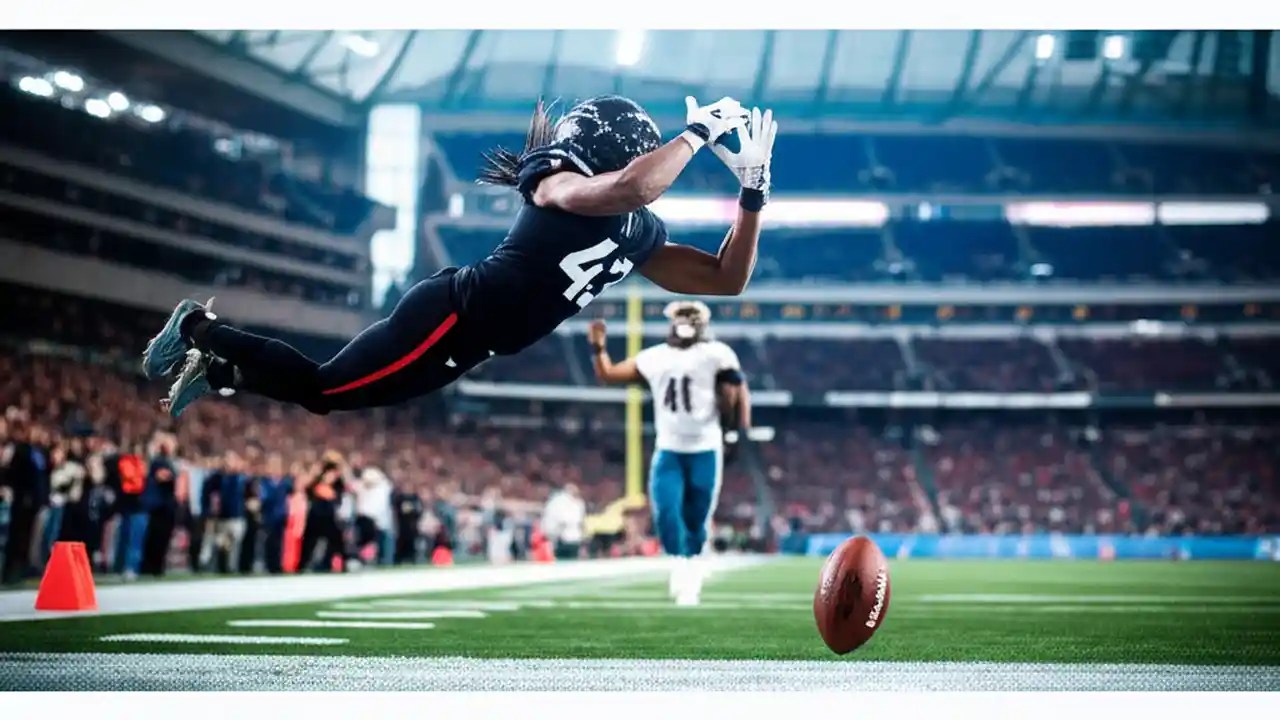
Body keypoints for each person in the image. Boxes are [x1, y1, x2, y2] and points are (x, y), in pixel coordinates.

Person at [139, 95, 777, 418]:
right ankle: (197, 326)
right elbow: (627, 186)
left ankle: (221, 374)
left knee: (335, 396)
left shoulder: (639, 226)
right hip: (451, 315)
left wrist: (753, 195)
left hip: (472, 342)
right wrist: (695, 135)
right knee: (323, 388)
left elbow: (725, 280)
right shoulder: (555, 176)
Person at [587, 300, 752, 606]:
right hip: (670, 449)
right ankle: (680, 564)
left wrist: (737, 431)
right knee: (665, 512)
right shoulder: (655, 357)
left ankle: (692, 566)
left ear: (702, 323)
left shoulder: (717, 353)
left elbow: (738, 391)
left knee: (697, 516)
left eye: (691, 317)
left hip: (705, 447)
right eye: (680, 316)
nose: (684, 322)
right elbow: (609, 374)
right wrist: (598, 349)